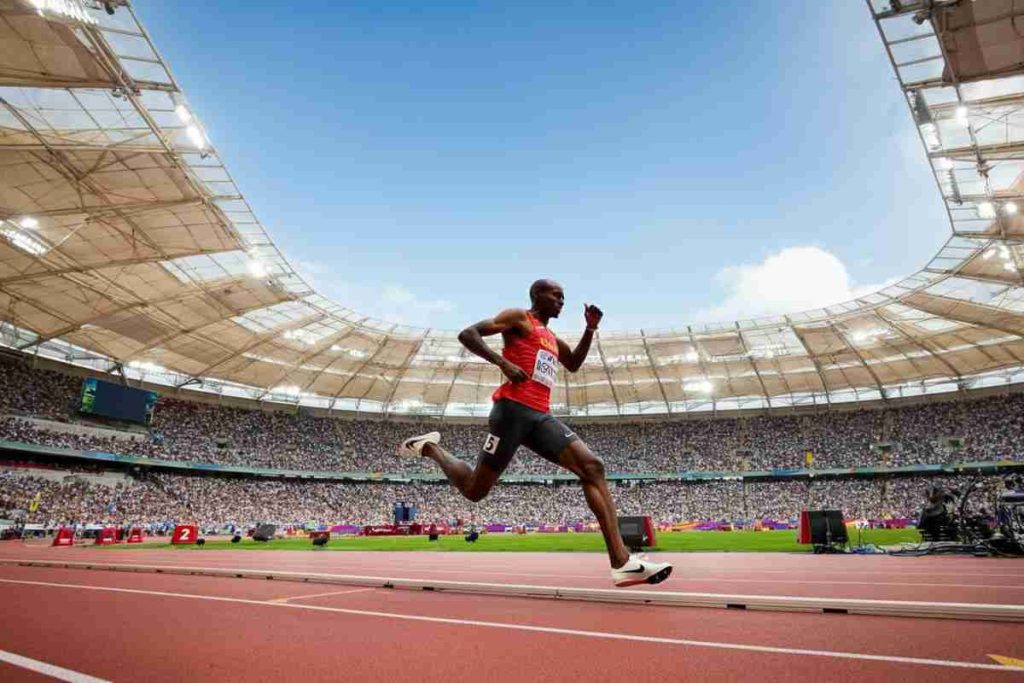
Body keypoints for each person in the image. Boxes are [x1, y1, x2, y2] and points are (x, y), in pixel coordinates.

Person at [399, 279, 671, 586]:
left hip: (540, 416)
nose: (562, 300)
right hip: (511, 413)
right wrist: (502, 363)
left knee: (593, 467)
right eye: (556, 295)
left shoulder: (552, 338)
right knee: (475, 490)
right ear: (536, 295)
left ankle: (621, 562)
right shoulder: (518, 318)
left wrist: (590, 329)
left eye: (563, 296)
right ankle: (430, 448)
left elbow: (574, 364)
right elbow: (468, 334)